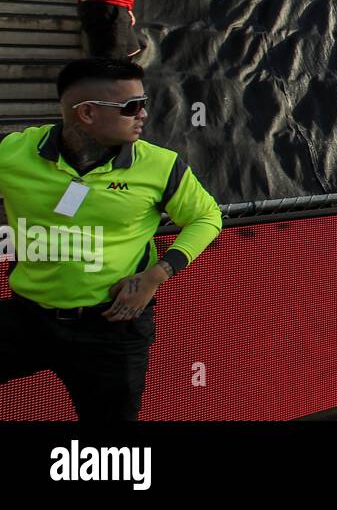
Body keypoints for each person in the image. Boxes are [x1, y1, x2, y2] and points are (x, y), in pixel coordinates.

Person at [0, 58, 223, 420]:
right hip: (27, 318)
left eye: (144, 102)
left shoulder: (161, 166)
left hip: (112, 327)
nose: (144, 115)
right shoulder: (12, 153)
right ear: (86, 113)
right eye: (130, 107)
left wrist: (157, 274)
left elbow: (206, 217)